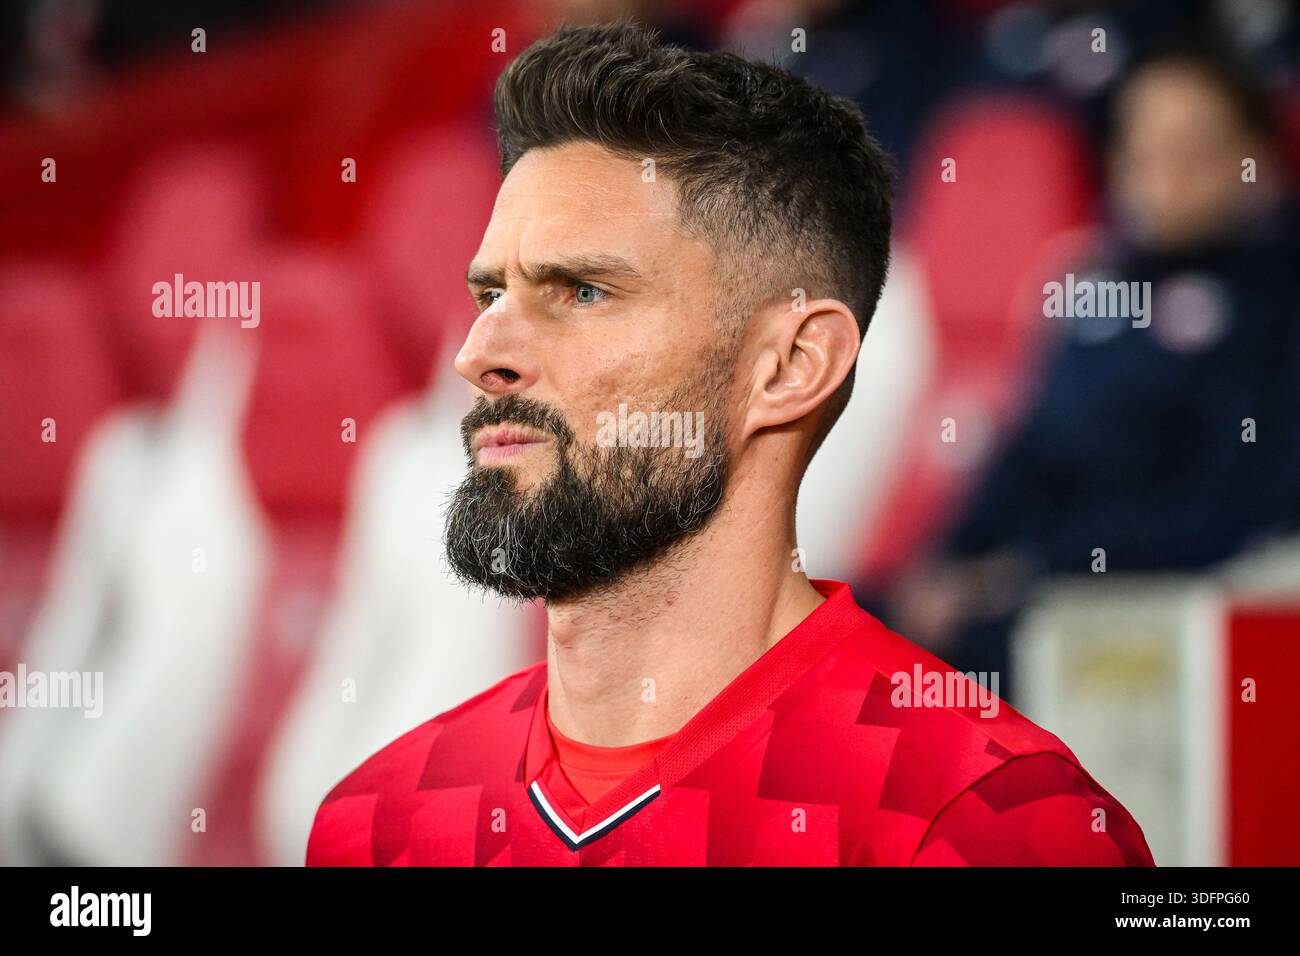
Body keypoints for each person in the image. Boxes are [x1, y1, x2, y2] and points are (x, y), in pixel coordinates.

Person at [305, 21, 1153, 866]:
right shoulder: (375, 820)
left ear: (789, 366)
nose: (478, 353)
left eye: (584, 291)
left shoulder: (992, 825)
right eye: (491, 293)